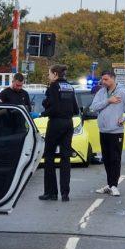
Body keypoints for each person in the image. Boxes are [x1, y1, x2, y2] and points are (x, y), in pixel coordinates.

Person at [90, 70, 125, 196]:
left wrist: (124, 118)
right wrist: (108, 101)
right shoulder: (101, 92)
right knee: (106, 159)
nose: (103, 81)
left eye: (106, 79)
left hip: (115, 132)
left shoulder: (122, 92)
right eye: (102, 79)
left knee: (115, 159)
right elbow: (93, 107)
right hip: (103, 130)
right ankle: (109, 184)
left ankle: (114, 185)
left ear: (113, 79)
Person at [39, 64, 78, 202]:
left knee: (49, 156)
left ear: (55, 74)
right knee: (65, 158)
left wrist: (42, 113)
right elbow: (75, 109)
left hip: (55, 123)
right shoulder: (70, 87)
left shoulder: (54, 86)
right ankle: (65, 193)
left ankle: (51, 192)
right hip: (68, 123)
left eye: (49, 74)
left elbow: (53, 107)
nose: (49, 76)